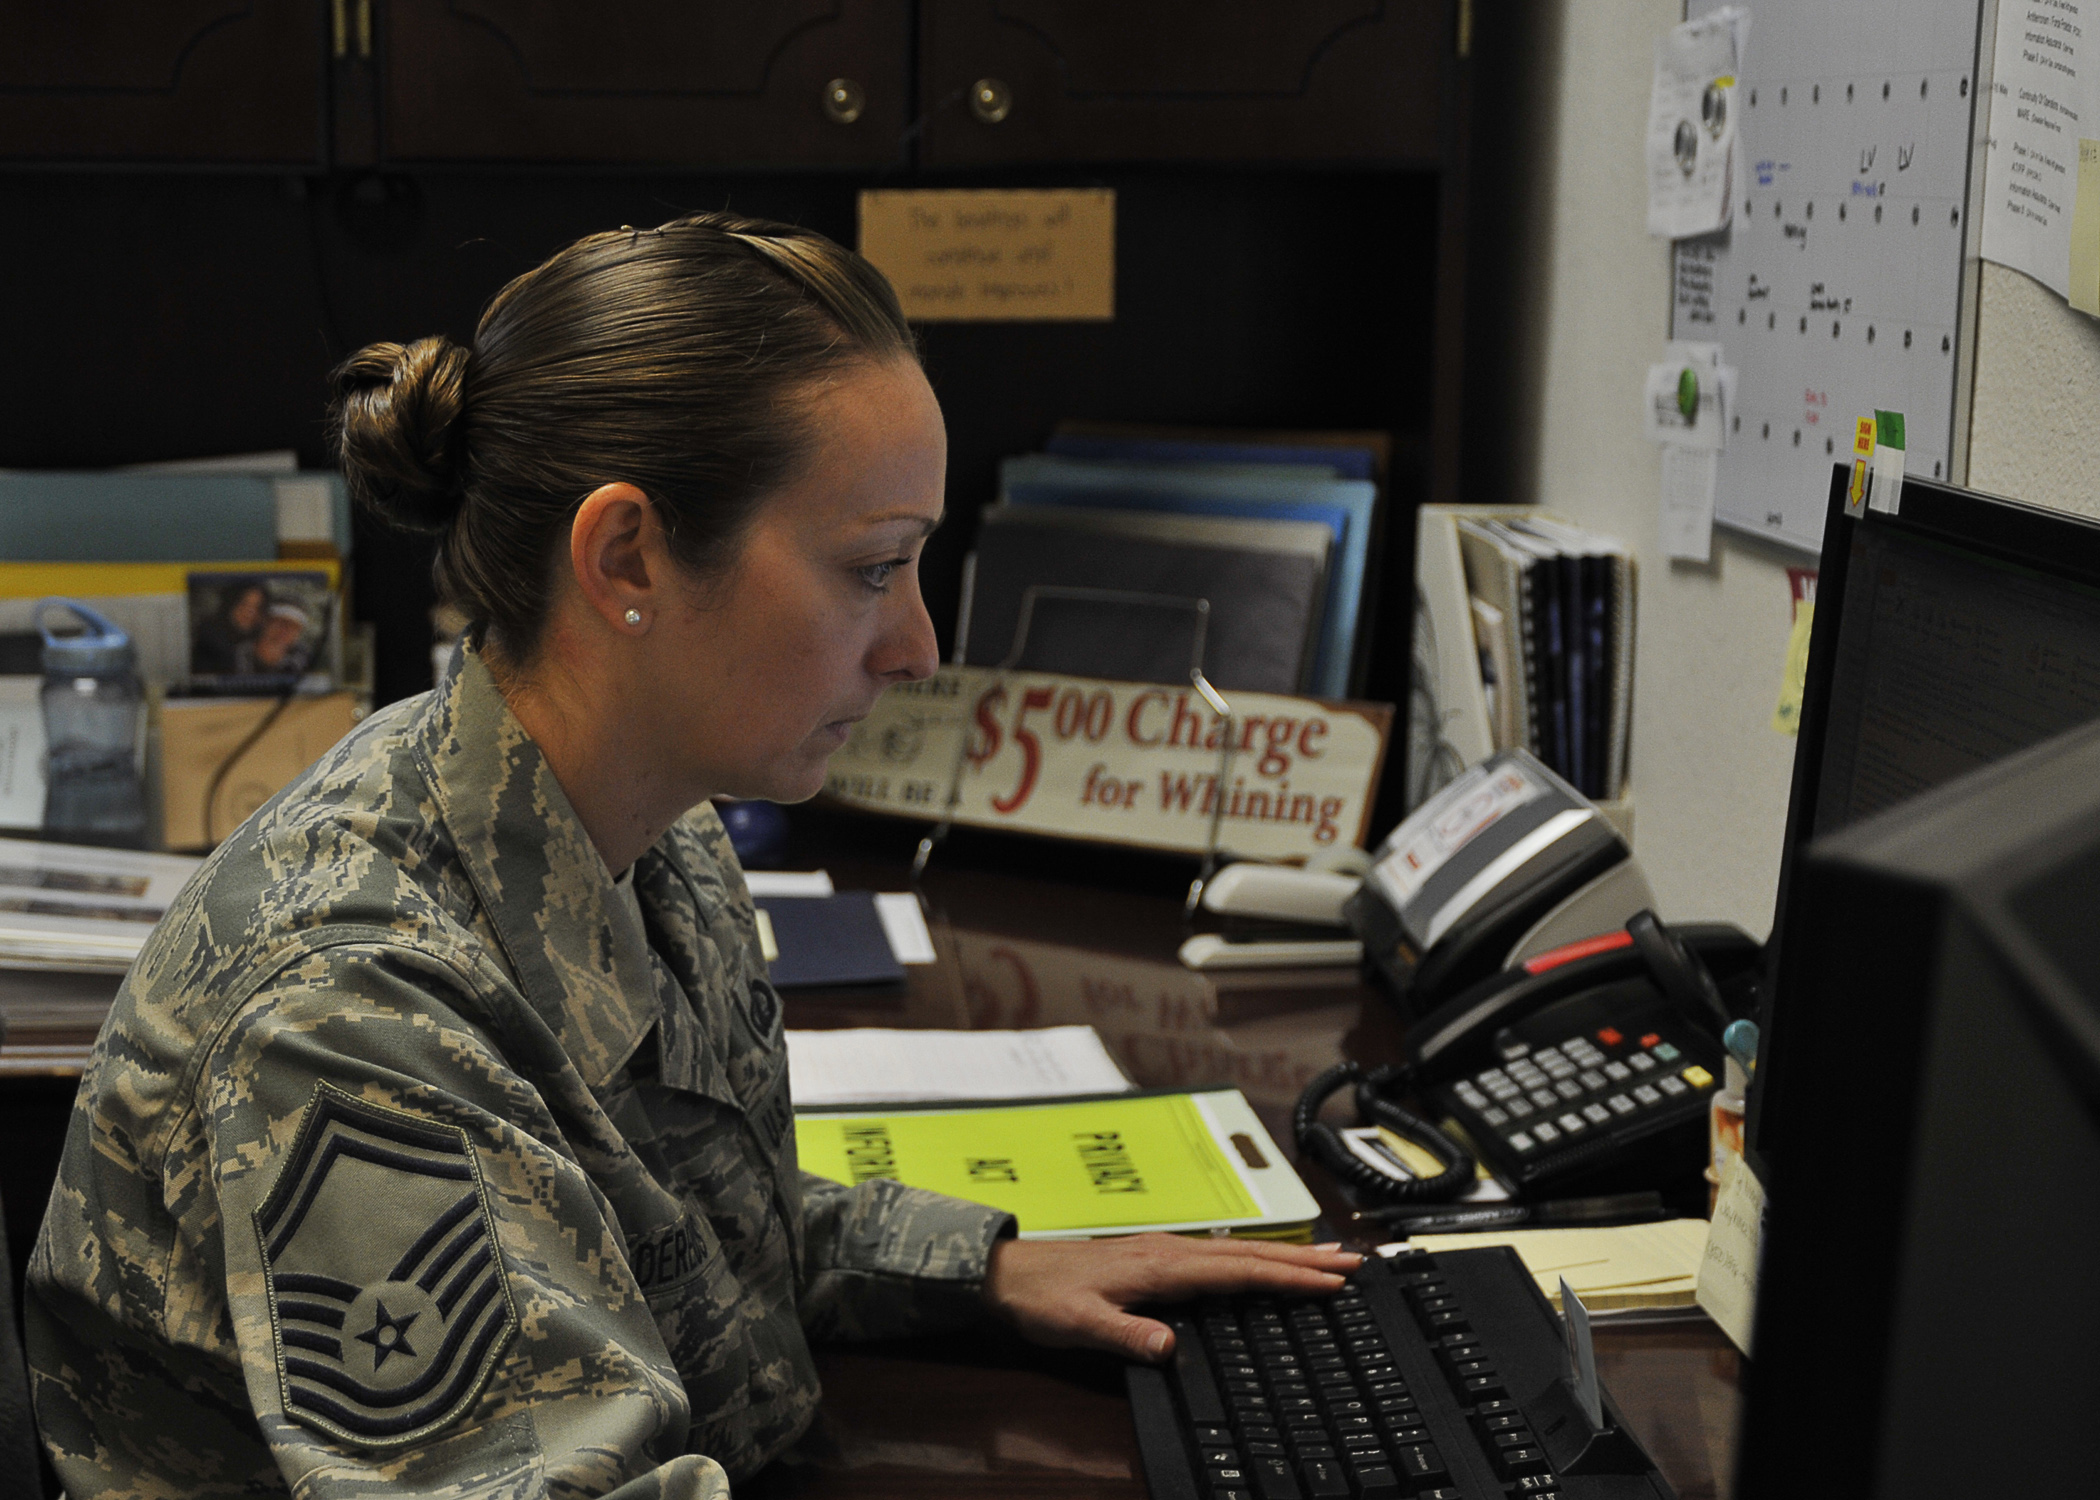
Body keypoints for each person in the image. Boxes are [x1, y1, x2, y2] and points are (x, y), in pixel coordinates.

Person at [25, 213, 1361, 1497]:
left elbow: (668, 1225)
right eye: (872, 568)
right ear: (628, 559)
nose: (918, 648)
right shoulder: (354, 1018)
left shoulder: (644, 820)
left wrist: (975, 1273)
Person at [192, 577, 268, 676]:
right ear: (231, 603)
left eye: (257, 607)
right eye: (244, 604)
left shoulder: (260, 641)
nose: (249, 614)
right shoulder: (209, 636)